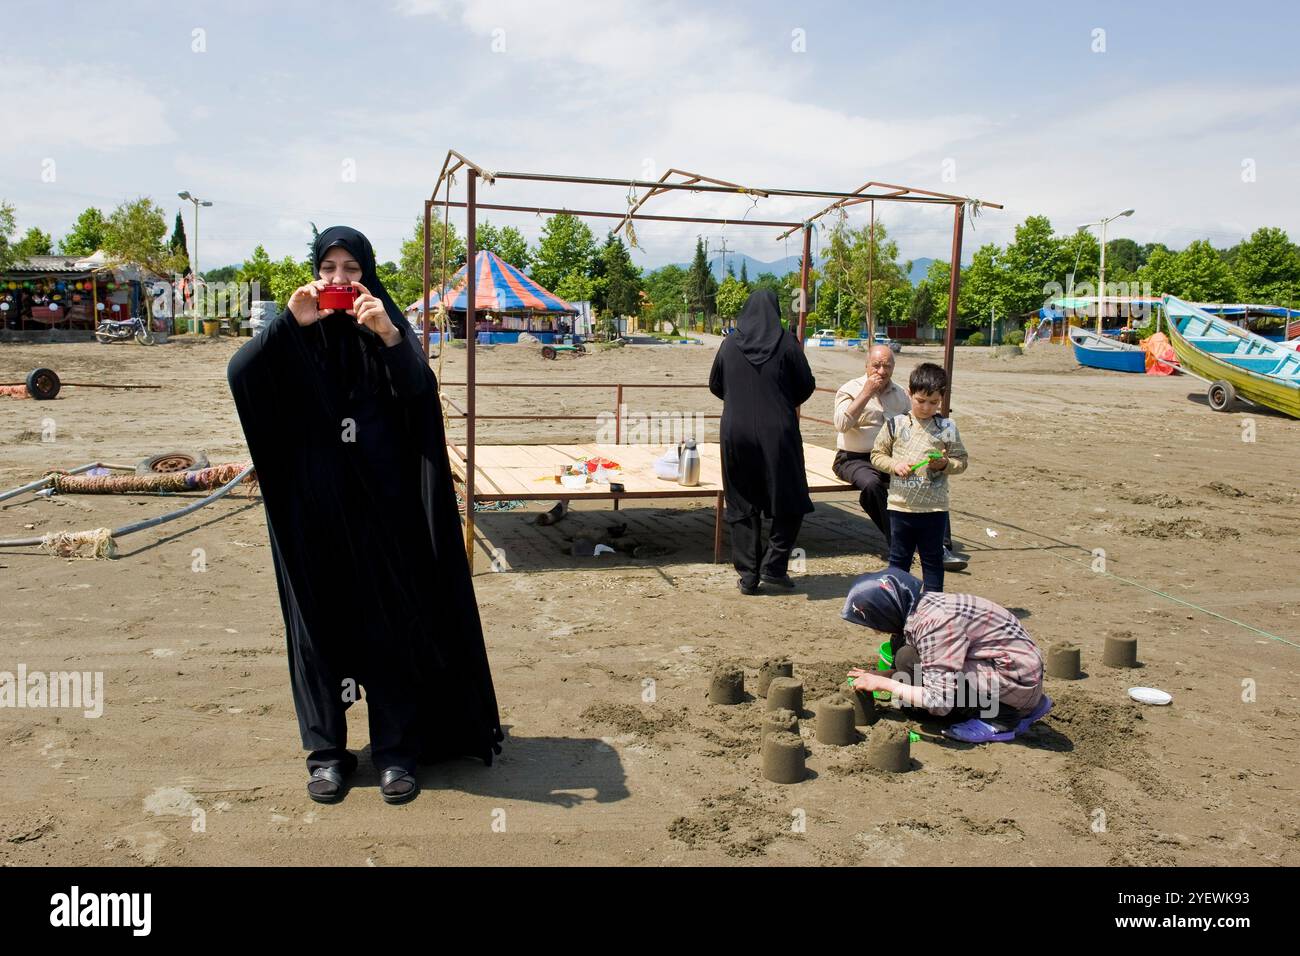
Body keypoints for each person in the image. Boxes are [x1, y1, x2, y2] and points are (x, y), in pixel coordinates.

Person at [227, 226, 503, 805]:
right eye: (328, 268)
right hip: (313, 514)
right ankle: (327, 754)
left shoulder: (386, 328)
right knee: (316, 631)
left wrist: (386, 335)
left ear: (368, 274)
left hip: (384, 512)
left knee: (389, 628)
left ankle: (396, 752)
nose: (339, 280)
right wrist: (288, 323)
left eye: (351, 269)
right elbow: (241, 376)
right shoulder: (294, 335)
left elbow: (421, 397)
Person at [841, 569, 1051, 743]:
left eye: (874, 623)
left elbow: (940, 701)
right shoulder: (920, 607)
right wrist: (886, 675)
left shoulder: (934, 625)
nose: (876, 631)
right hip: (1010, 670)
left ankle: (1001, 719)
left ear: (885, 611)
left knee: (920, 695)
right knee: (906, 659)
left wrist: (885, 685)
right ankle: (1017, 706)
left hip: (1017, 683)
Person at [708, 289, 815, 594]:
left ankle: (748, 575)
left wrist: (738, 400)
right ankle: (775, 565)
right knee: (791, 497)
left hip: (735, 432)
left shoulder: (729, 345)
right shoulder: (787, 343)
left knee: (741, 500)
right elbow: (806, 386)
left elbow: (715, 384)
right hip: (778, 432)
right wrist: (781, 399)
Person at [833, 345, 966, 570]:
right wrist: (866, 393)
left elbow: (918, 420)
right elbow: (842, 425)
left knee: (930, 480)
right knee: (872, 484)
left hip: (894, 457)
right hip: (854, 458)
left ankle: (942, 548)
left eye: (887, 365)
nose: (881, 371)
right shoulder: (849, 389)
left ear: (893, 367)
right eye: (876, 365)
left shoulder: (901, 395)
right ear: (866, 365)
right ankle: (897, 544)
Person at [870, 362, 967, 593]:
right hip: (900, 507)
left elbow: (961, 461)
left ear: (942, 399)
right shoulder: (895, 424)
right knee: (899, 562)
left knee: (932, 561)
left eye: (933, 402)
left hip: (934, 509)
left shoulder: (946, 426)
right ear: (910, 393)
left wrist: (944, 464)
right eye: (921, 401)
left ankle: (932, 611)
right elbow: (876, 455)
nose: (926, 407)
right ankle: (898, 613)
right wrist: (895, 465)